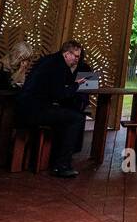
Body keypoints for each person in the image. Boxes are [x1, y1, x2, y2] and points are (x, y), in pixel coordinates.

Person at [15, 40, 93, 178]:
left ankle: (55, 158)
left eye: (79, 56)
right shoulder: (57, 66)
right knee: (76, 119)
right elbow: (60, 94)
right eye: (75, 56)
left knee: (69, 116)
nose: (77, 59)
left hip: (28, 107)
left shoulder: (51, 61)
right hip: (33, 110)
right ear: (67, 53)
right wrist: (76, 86)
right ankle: (61, 165)